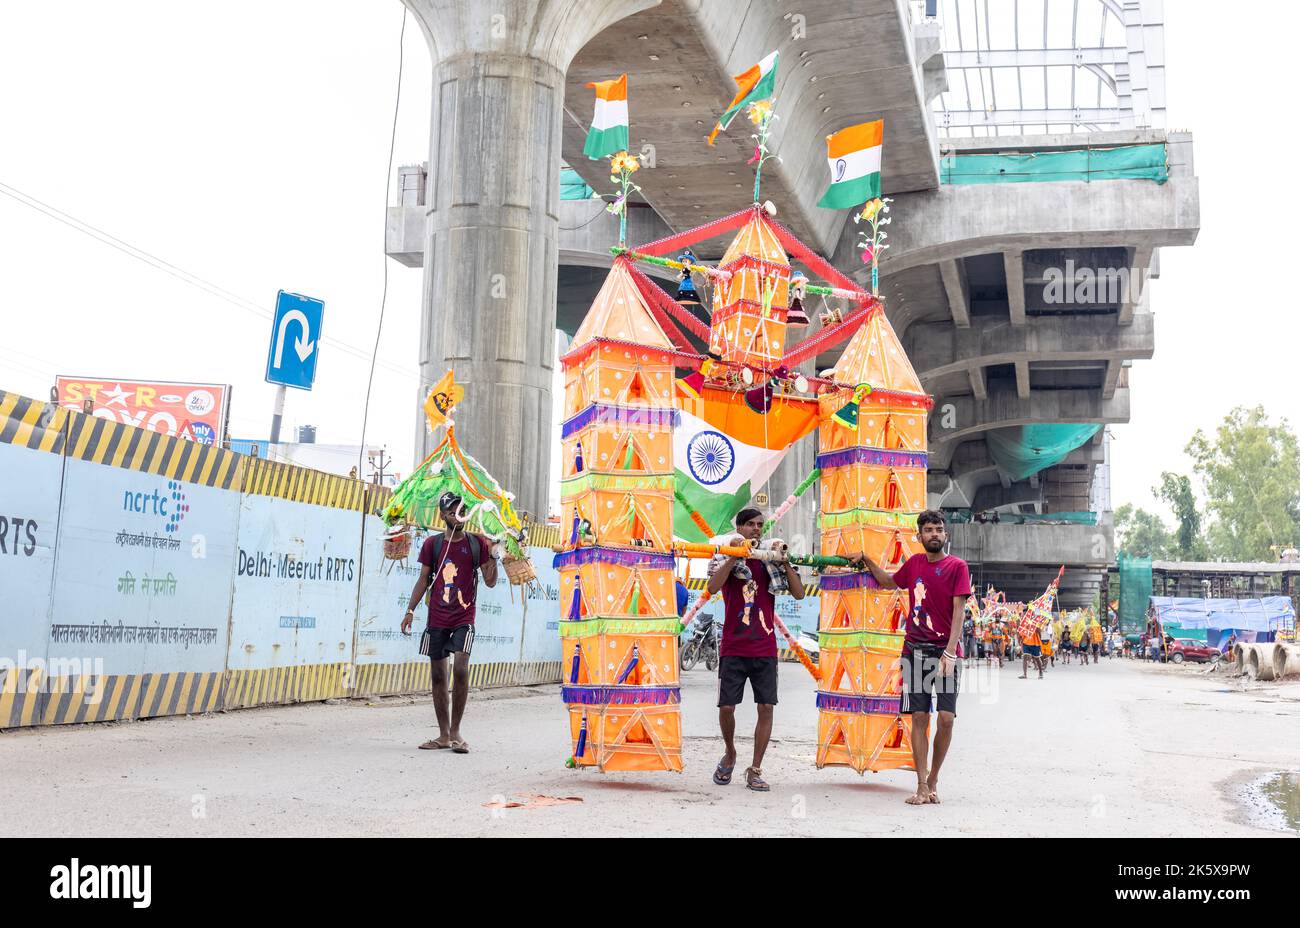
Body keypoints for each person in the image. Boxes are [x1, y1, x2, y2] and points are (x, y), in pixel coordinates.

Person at [858, 510, 971, 806]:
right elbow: (888, 583)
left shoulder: (957, 566)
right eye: (929, 530)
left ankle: (934, 777)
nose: (935, 534)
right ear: (919, 536)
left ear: (945, 535)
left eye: (939, 529)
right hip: (915, 651)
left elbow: (959, 611)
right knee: (919, 717)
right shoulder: (914, 564)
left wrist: (949, 650)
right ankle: (922, 784)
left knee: (946, 718)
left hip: (945, 654)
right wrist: (867, 560)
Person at [707, 507, 805, 792]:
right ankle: (730, 752)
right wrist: (734, 555)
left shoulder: (770, 560)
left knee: (766, 706)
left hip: (764, 647)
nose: (755, 529)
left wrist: (784, 561)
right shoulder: (726, 556)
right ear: (739, 527)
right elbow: (713, 587)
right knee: (727, 707)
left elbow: (798, 593)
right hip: (733, 646)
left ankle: (755, 768)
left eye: (760, 525)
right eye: (749, 524)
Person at [401, 492, 498, 753]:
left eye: (462, 510)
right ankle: (443, 735)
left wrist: (495, 555)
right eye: (453, 510)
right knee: (437, 675)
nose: (458, 514)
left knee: (461, 669)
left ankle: (456, 732)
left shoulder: (477, 544)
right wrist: (410, 610)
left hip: (464, 618)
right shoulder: (432, 545)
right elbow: (423, 580)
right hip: (437, 618)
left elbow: (490, 581)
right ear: (443, 515)